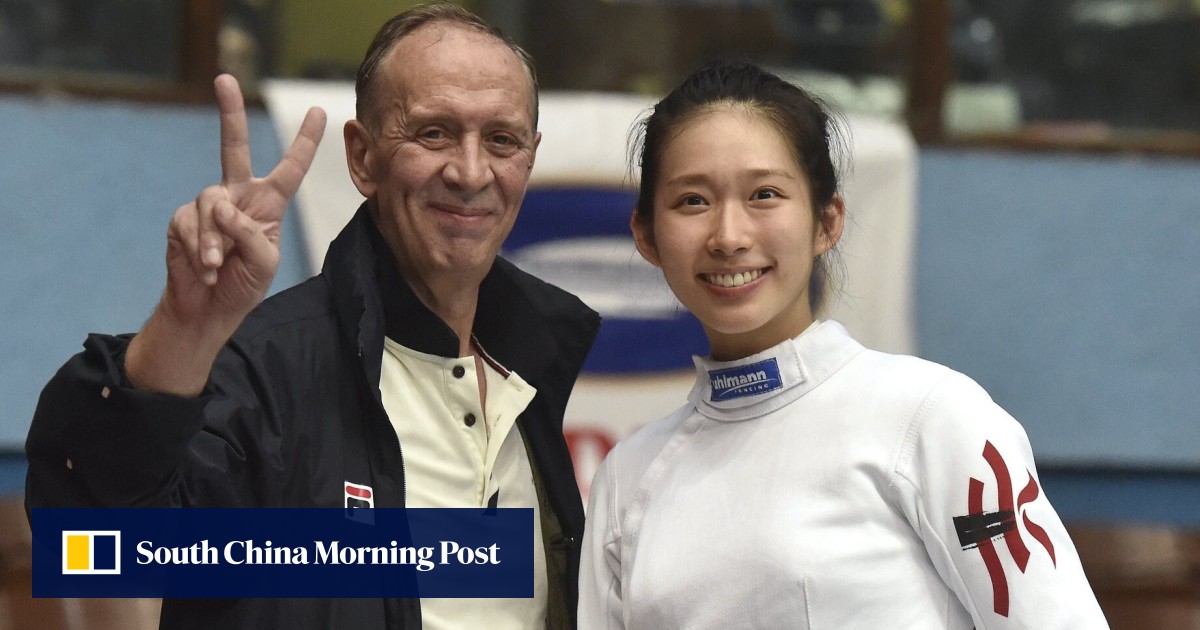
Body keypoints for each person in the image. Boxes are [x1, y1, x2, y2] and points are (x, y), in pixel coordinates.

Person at [26, 4, 599, 629]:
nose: (469, 171)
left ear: (530, 159)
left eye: (501, 139)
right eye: (433, 133)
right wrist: (184, 328)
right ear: (362, 157)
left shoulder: (536, 364)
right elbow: (88, 549)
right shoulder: (266, 370)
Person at [577, 61, 1108, 629]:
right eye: (692, 201)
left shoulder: (933, 417)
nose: (729, 237)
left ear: (827, 221)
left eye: (764, 194)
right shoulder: (627, 478)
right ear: (646, 236)